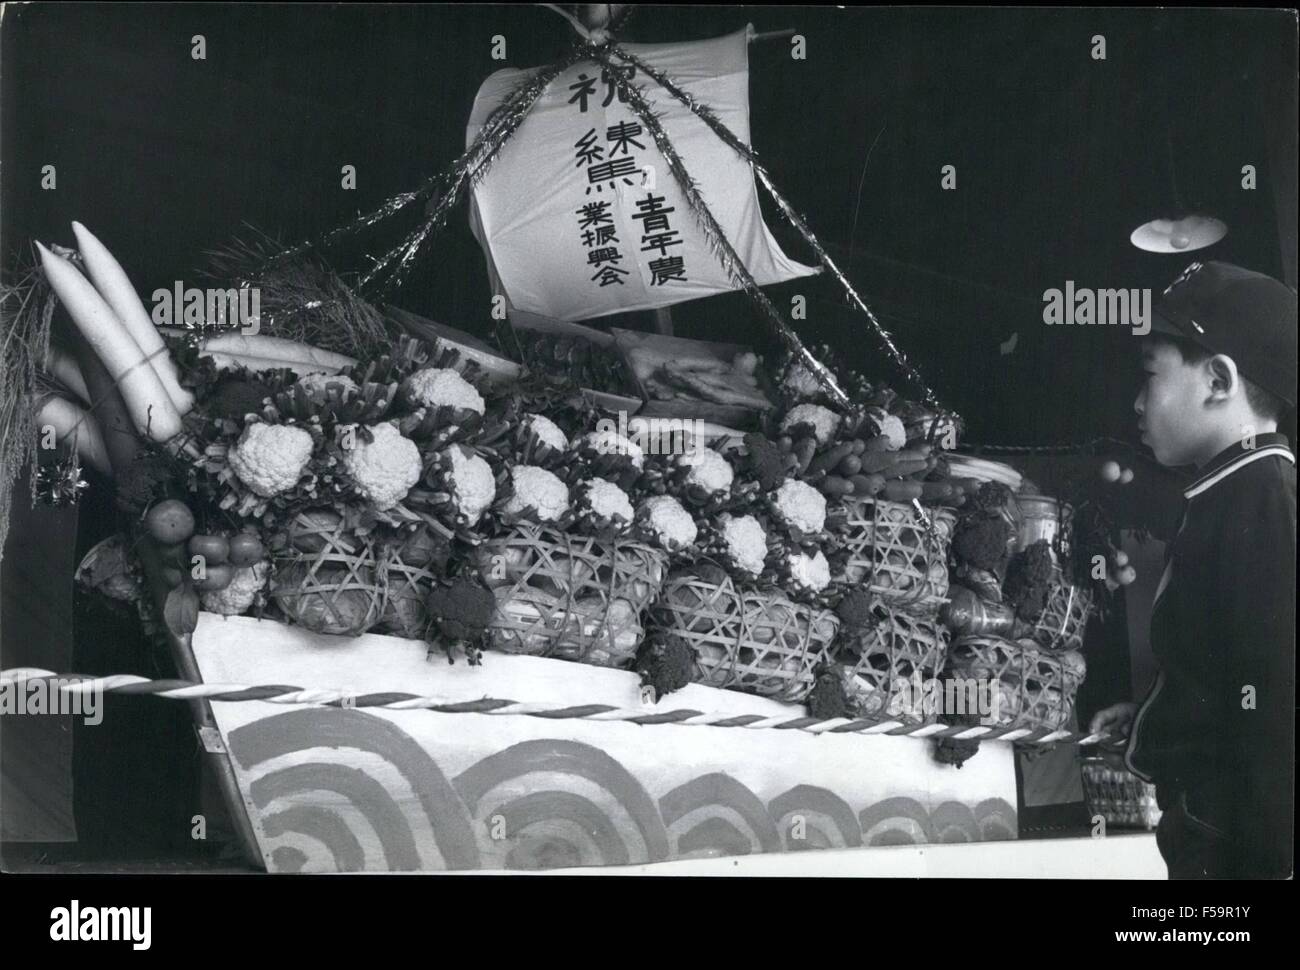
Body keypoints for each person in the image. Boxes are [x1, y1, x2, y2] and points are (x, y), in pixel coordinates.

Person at [1090, 260, 1296, 880]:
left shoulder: (1262, 498)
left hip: (1243, 848)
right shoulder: (1237, 491)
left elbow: (1279, 693)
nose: (1135, 401)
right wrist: (1162, 710)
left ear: (1218, 380)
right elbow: (1231, 671)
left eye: (1149, 376)